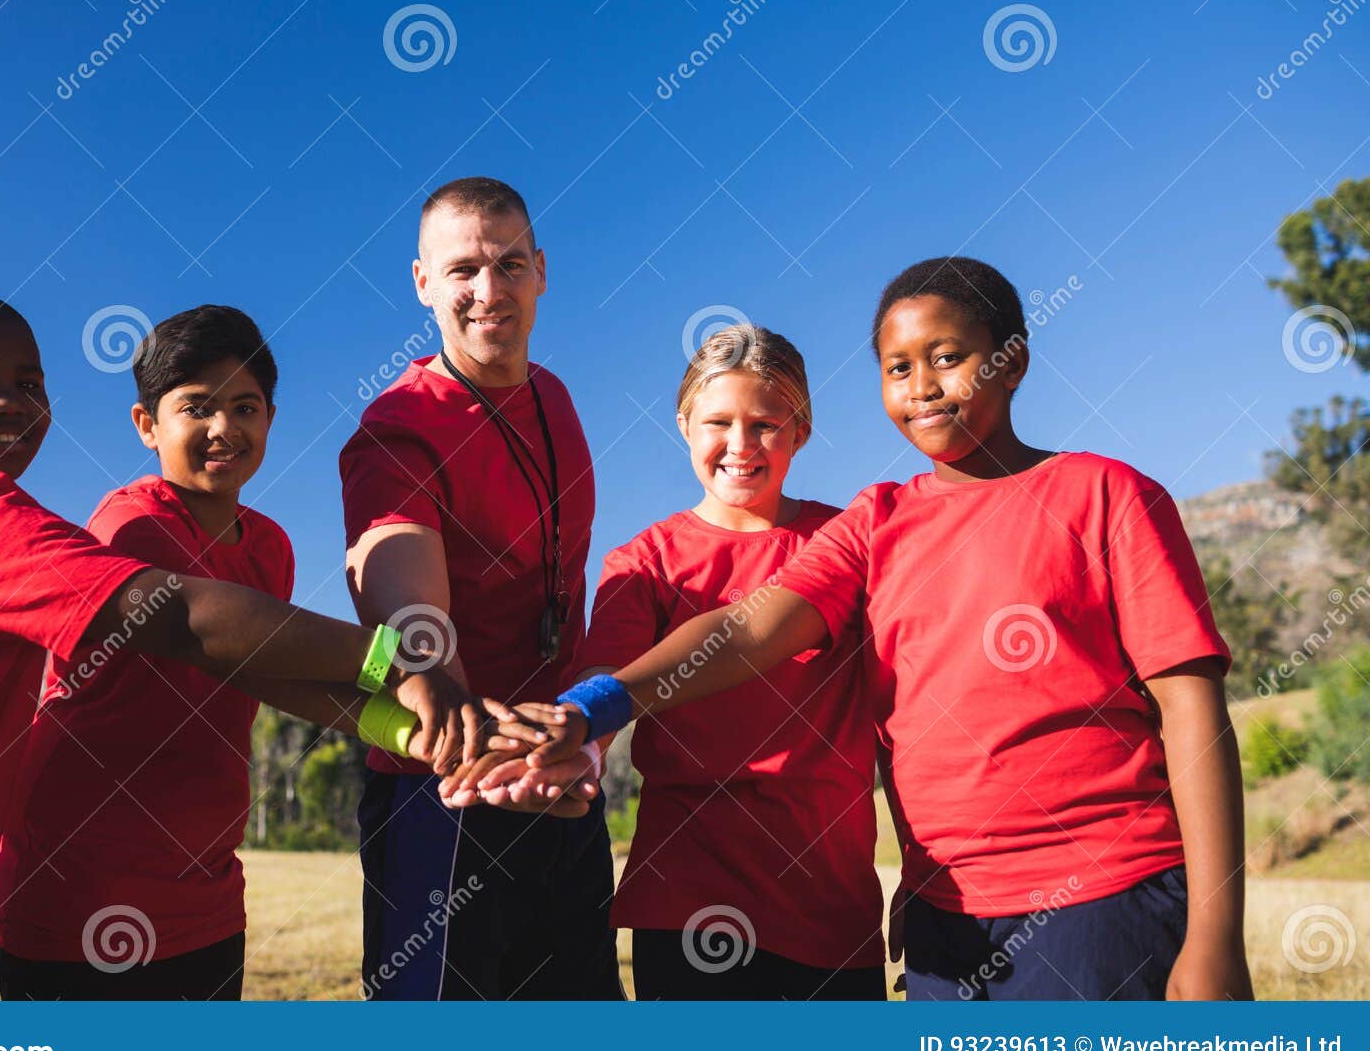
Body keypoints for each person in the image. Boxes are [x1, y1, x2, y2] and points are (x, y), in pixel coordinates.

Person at [455, 256, 1254, 1001]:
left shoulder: (1105, 494)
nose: (923, 386)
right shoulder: (879, 521)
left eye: (947, 357)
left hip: (1101, 893)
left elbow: (1192, 710)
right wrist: (594, 709)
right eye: (898, 368)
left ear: (1011, 361)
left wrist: (1216, 932)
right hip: (946, 922)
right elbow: (753, 631)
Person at [0, 292, 526, 1001]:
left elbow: (254, 668)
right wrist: (392, 660)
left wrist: (413, 730)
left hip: (166, 895)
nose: (10, 404)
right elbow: (184, 621)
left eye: (30, 385)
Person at [340, 176, 617, 1000]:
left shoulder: (555, 398)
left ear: (541, 270)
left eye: (507, 264)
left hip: (562, 771)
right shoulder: (398, 422)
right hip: (445, 784)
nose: (487, 291)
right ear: (422, 282)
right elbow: (403, 606)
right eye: (462, 269)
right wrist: (459, 703)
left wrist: (577, 742)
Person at [0, 305, 295, 999]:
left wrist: (418, 724)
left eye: (245, 406)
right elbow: (219, 634)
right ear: (147, 425)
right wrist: (391, 669)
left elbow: (273, 674)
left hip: (206, 897)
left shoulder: (272, 546)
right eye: (197, 407)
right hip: (76, 899)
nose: (225, 428)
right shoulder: (133, 527)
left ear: (270, 419)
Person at [578, 324, 883, 999]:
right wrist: (576, 751)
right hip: (689, 895)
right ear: (684, 423)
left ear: (801, 429)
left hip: (830, 900)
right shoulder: (645, 561)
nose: (741, 446)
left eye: (765, 424)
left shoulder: (851, 541)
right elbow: (601, 688)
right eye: (718, 421)